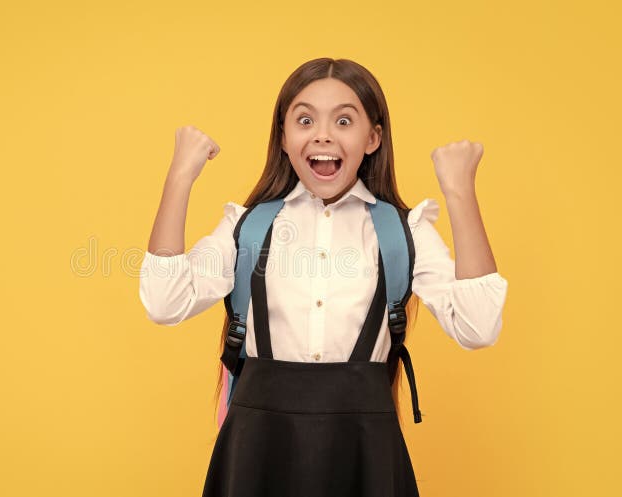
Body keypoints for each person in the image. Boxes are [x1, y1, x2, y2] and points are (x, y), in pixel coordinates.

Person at [139, 57, 508, 497]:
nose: (324, 134)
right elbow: (164, 303)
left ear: (373, 138)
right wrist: (180, 177)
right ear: (283, 136)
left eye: (345, 120)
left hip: (365, 451)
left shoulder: (402, 232)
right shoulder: (249, 227)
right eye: (305, 119)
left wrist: (460, 193)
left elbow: (478, 325)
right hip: (256, 450)